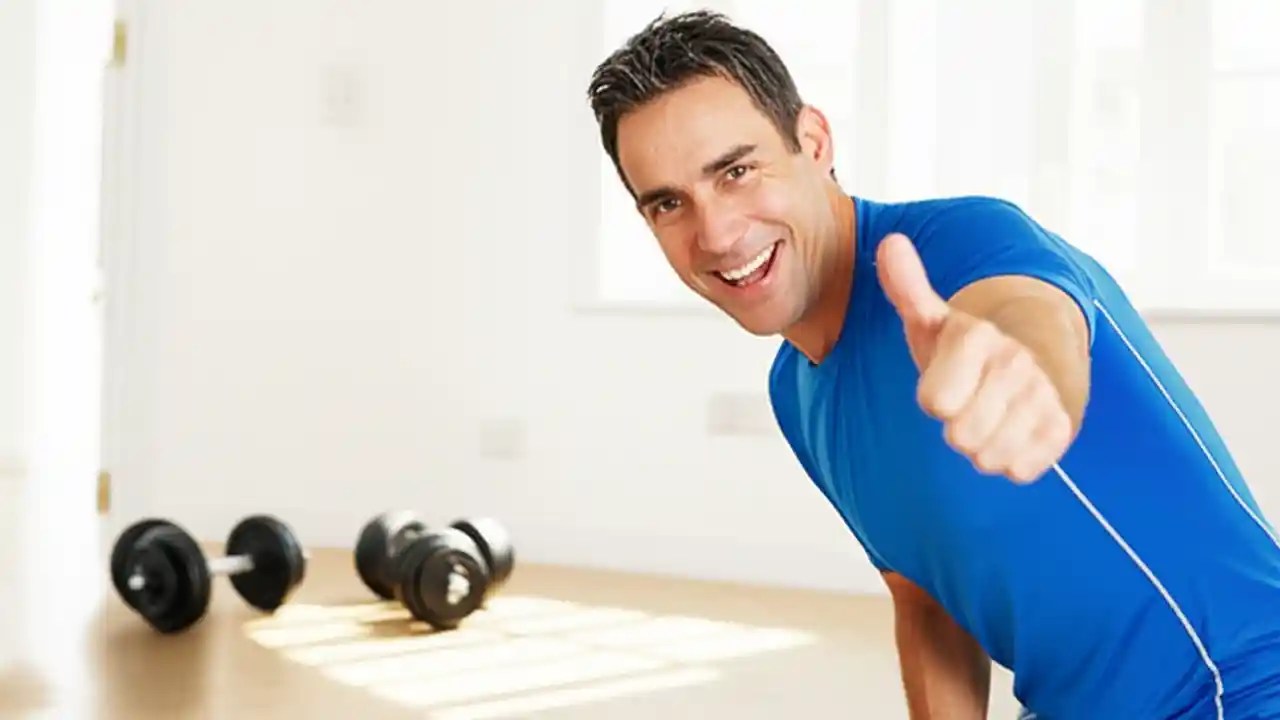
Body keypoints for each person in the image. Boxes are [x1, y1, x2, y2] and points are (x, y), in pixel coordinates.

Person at [585, 10, 1280, 720]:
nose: (715, 234)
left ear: (813, 142)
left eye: (736, 171)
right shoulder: (795, 391)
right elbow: (924, 598)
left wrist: (1026, 362)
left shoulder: (959, 241)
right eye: (668, 203)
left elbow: (1028, 310)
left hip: (1241, 691)